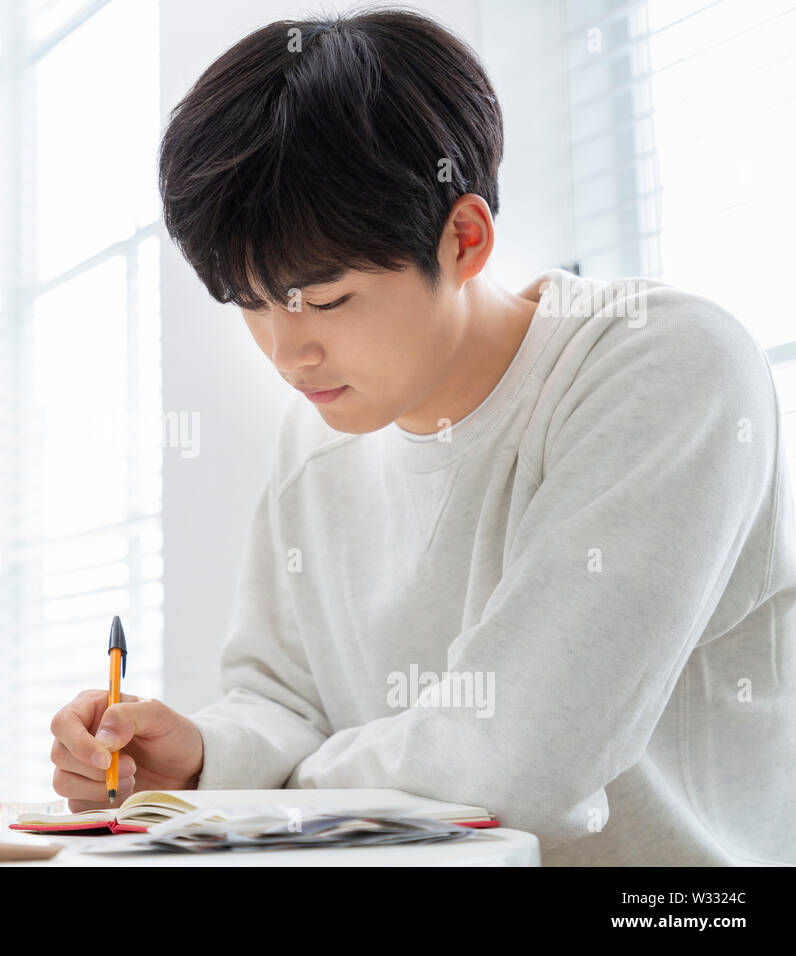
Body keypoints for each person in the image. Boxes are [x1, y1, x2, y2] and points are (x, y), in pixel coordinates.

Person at [47, 7, 796, 866]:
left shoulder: (663, 368)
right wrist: (200, 760)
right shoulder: (318, 438)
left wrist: (259, 799)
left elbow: (520, 758)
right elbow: (283, 702)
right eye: (252, 304)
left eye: (324, 300)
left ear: (465, 239)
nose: (290, 352)